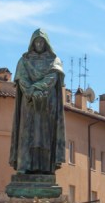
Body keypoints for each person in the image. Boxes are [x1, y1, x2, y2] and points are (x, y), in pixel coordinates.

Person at [9, 29, 66, 176]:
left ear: (46, 43)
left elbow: (53, 78)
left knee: (45, 136)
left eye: (42, 41)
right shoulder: (24, 61)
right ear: (32, 43)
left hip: (47, 103)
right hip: (29, 103)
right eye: (37, 41)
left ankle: (45, 168)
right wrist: (31, 92)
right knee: (26, 133)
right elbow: (21, 79)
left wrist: (36, 88)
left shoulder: (54, 61)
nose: (39, 44)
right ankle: (24, 166)